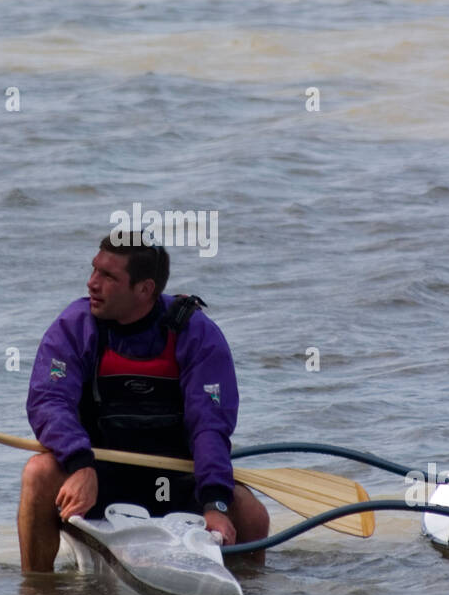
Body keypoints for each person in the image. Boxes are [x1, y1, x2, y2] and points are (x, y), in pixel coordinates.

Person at [17, 234, 269, 571]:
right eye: (94, 270)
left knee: (251, 514)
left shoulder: (196, 334)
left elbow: (210, 425)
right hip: (99, 475)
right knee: (39, 473)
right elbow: (49, 402)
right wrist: (80, 464)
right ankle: (39, 593)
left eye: (108, 277)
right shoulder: (75, 327)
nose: (92, 283)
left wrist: (216, 505)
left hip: (176, 479)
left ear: (145, 289)